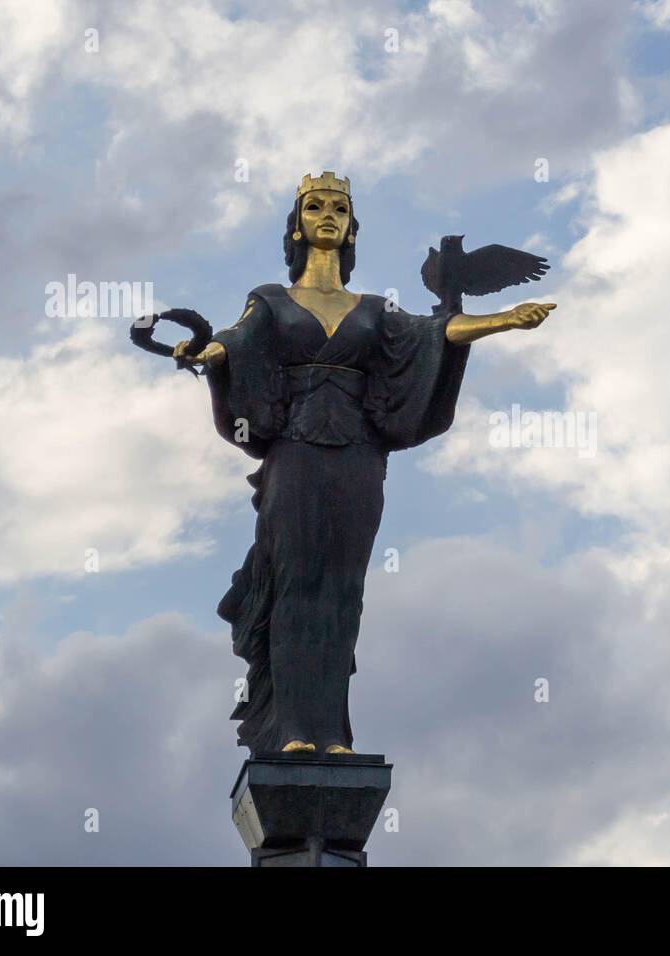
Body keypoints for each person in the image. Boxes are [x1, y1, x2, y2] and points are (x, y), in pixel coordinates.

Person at [175, 171, 555, 755]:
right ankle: (294, 730)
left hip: (358, 455)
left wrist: (504, 319)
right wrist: (206, 350)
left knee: (343, 590)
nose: (328, 215)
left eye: (339, 208)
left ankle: (332, 734)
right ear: (297, 225)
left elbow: (434, 333)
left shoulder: (376, 309)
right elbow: (239, 339)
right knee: (299, 583)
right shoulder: (271, 300)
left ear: (352, 227)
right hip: (296, 450)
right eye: (315, 207)